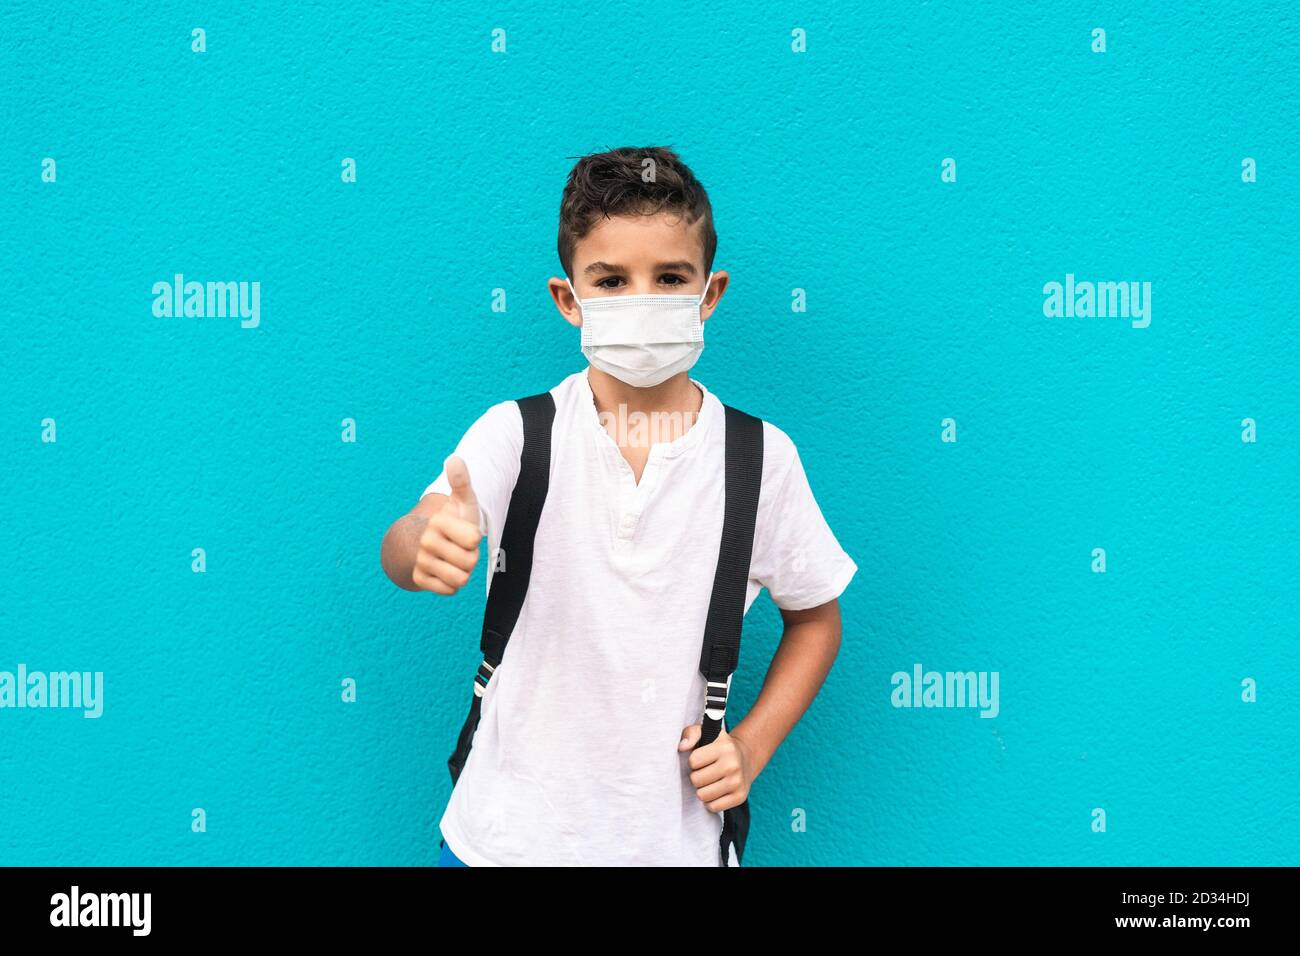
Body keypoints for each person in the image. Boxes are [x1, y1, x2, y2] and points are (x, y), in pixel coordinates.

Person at [380, 146, 857, 866]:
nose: (643, 300)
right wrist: (421, 543)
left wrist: (751, 750)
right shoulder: (516, 436)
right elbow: (411, 536)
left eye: (670, 278)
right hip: (503, 842)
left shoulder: (759, 460)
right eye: (610, 280)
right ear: (567, 299)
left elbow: (816, 618)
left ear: (711, 293)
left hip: (678, 847)